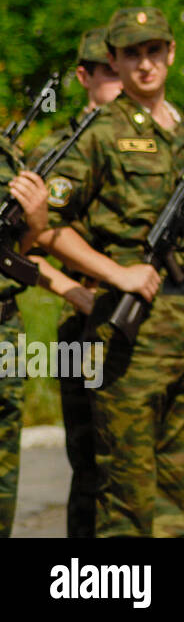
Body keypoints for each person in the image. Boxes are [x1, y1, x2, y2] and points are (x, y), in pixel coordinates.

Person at [37, 7, 184, 537]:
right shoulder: (99, 133)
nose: (146, 63)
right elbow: (47, 227)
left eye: (155, 51)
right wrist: (116, 273)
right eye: (132, 54)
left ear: (171, 53)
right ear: (114, 60)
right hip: (131, 330)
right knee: (126, 494)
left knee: (178, 490)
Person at [28, 26, 122, 537]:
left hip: (139, 313)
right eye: (107, 70)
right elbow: (34, 234)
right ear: (85, 75)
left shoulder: (151, 137)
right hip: (83, 315)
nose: (120, 78)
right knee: (91, 459)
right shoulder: (59, 149)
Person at [0, 136, 54, 538]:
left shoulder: (8, 152)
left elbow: (20, 250)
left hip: (5, 327)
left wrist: (35, 224)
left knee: (4, 469)